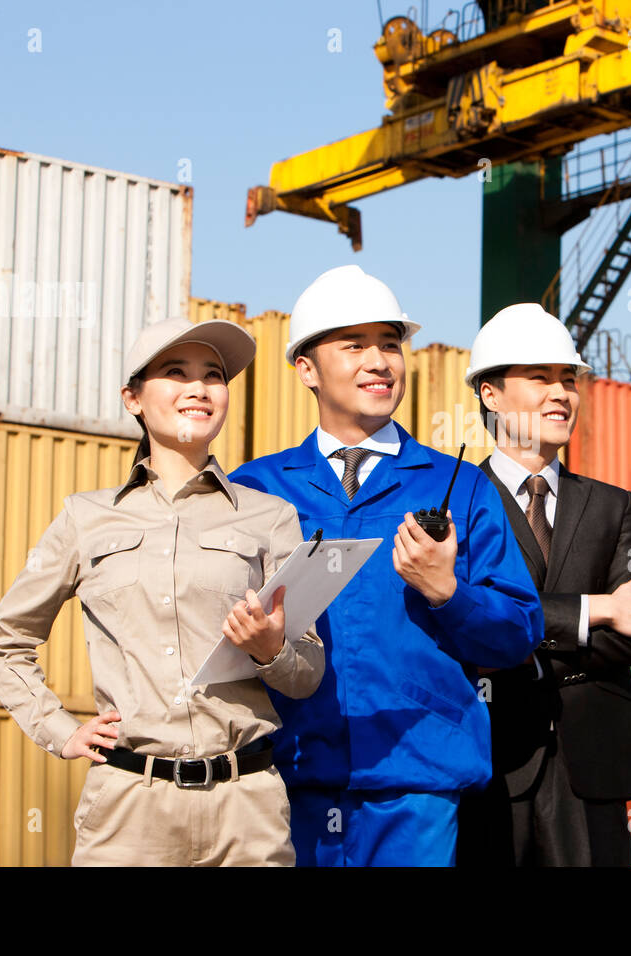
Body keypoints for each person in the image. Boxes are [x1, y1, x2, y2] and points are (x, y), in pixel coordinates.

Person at [0, 317, 325, 866]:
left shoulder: (271, 517)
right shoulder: (85, 517)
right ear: (133, 398)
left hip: (248, 809)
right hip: (127, 812)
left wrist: (271, 649)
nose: (199, 388)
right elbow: (5, 643)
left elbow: (307, 674)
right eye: (175, 373)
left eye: (213, 375)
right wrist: (58, 729)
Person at [229, 264, 542, 867]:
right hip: (286, 781)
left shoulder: (462, 488)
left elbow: (518, 631)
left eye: (391, 344)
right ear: (306, 368)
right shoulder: (256, 489)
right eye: (354, 345)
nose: (379, 361)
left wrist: (449, 592)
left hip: (416, 783)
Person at [456, 303, 631, 867]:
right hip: (490, 758)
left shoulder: (612, 505)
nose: (561, 393)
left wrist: (514, 637)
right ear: (490, 393)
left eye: (568, 379)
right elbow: (463, 621)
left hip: (594, 764)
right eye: (540, 377)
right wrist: (596, 611)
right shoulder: (454, 501)